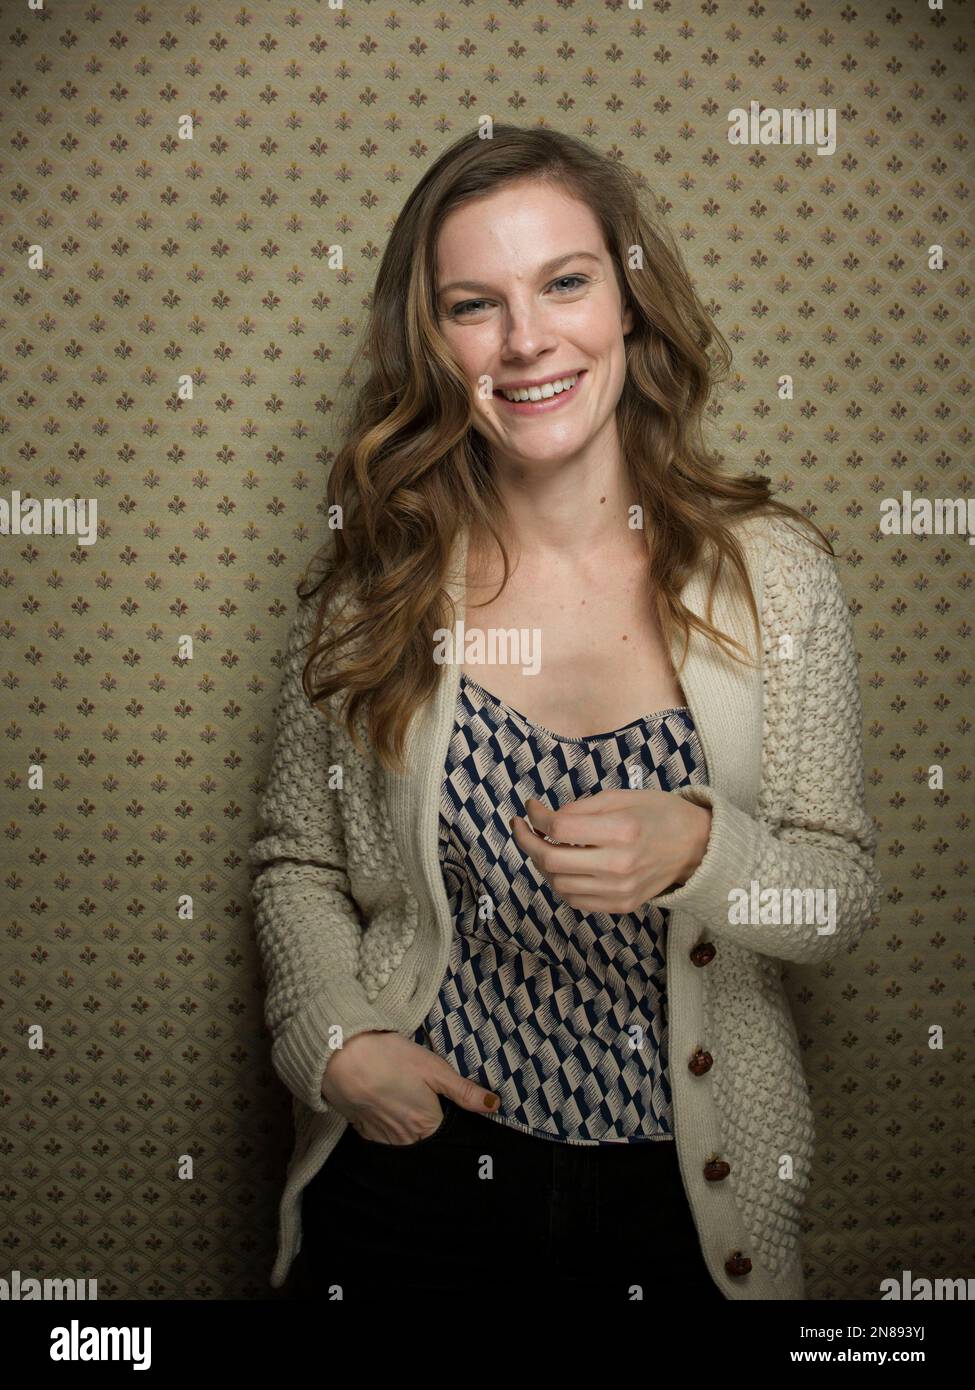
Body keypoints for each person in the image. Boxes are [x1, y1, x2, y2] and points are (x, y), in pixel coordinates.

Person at [249, 124, 881, 1303]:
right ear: (430, 342)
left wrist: (707, 848)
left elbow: (838, 891)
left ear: (630, 303)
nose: (528, 339)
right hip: (413, 1172)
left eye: (566, 282)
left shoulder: (775, 575)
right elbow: (296, 858)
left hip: (682, 1191)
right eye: (474, 305)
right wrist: (335, 1039)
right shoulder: (373, 588)